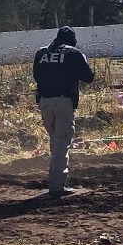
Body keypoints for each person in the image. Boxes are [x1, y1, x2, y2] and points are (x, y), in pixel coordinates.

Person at [33, 26, 95, 197]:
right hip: (64, 102)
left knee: (55, 141)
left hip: (45, 102)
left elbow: (36, 76)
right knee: (61, 143)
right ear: (71, 40)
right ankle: (57, 186)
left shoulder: (41, 53)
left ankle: (55, 179)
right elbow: (88, 77)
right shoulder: (73, 53)